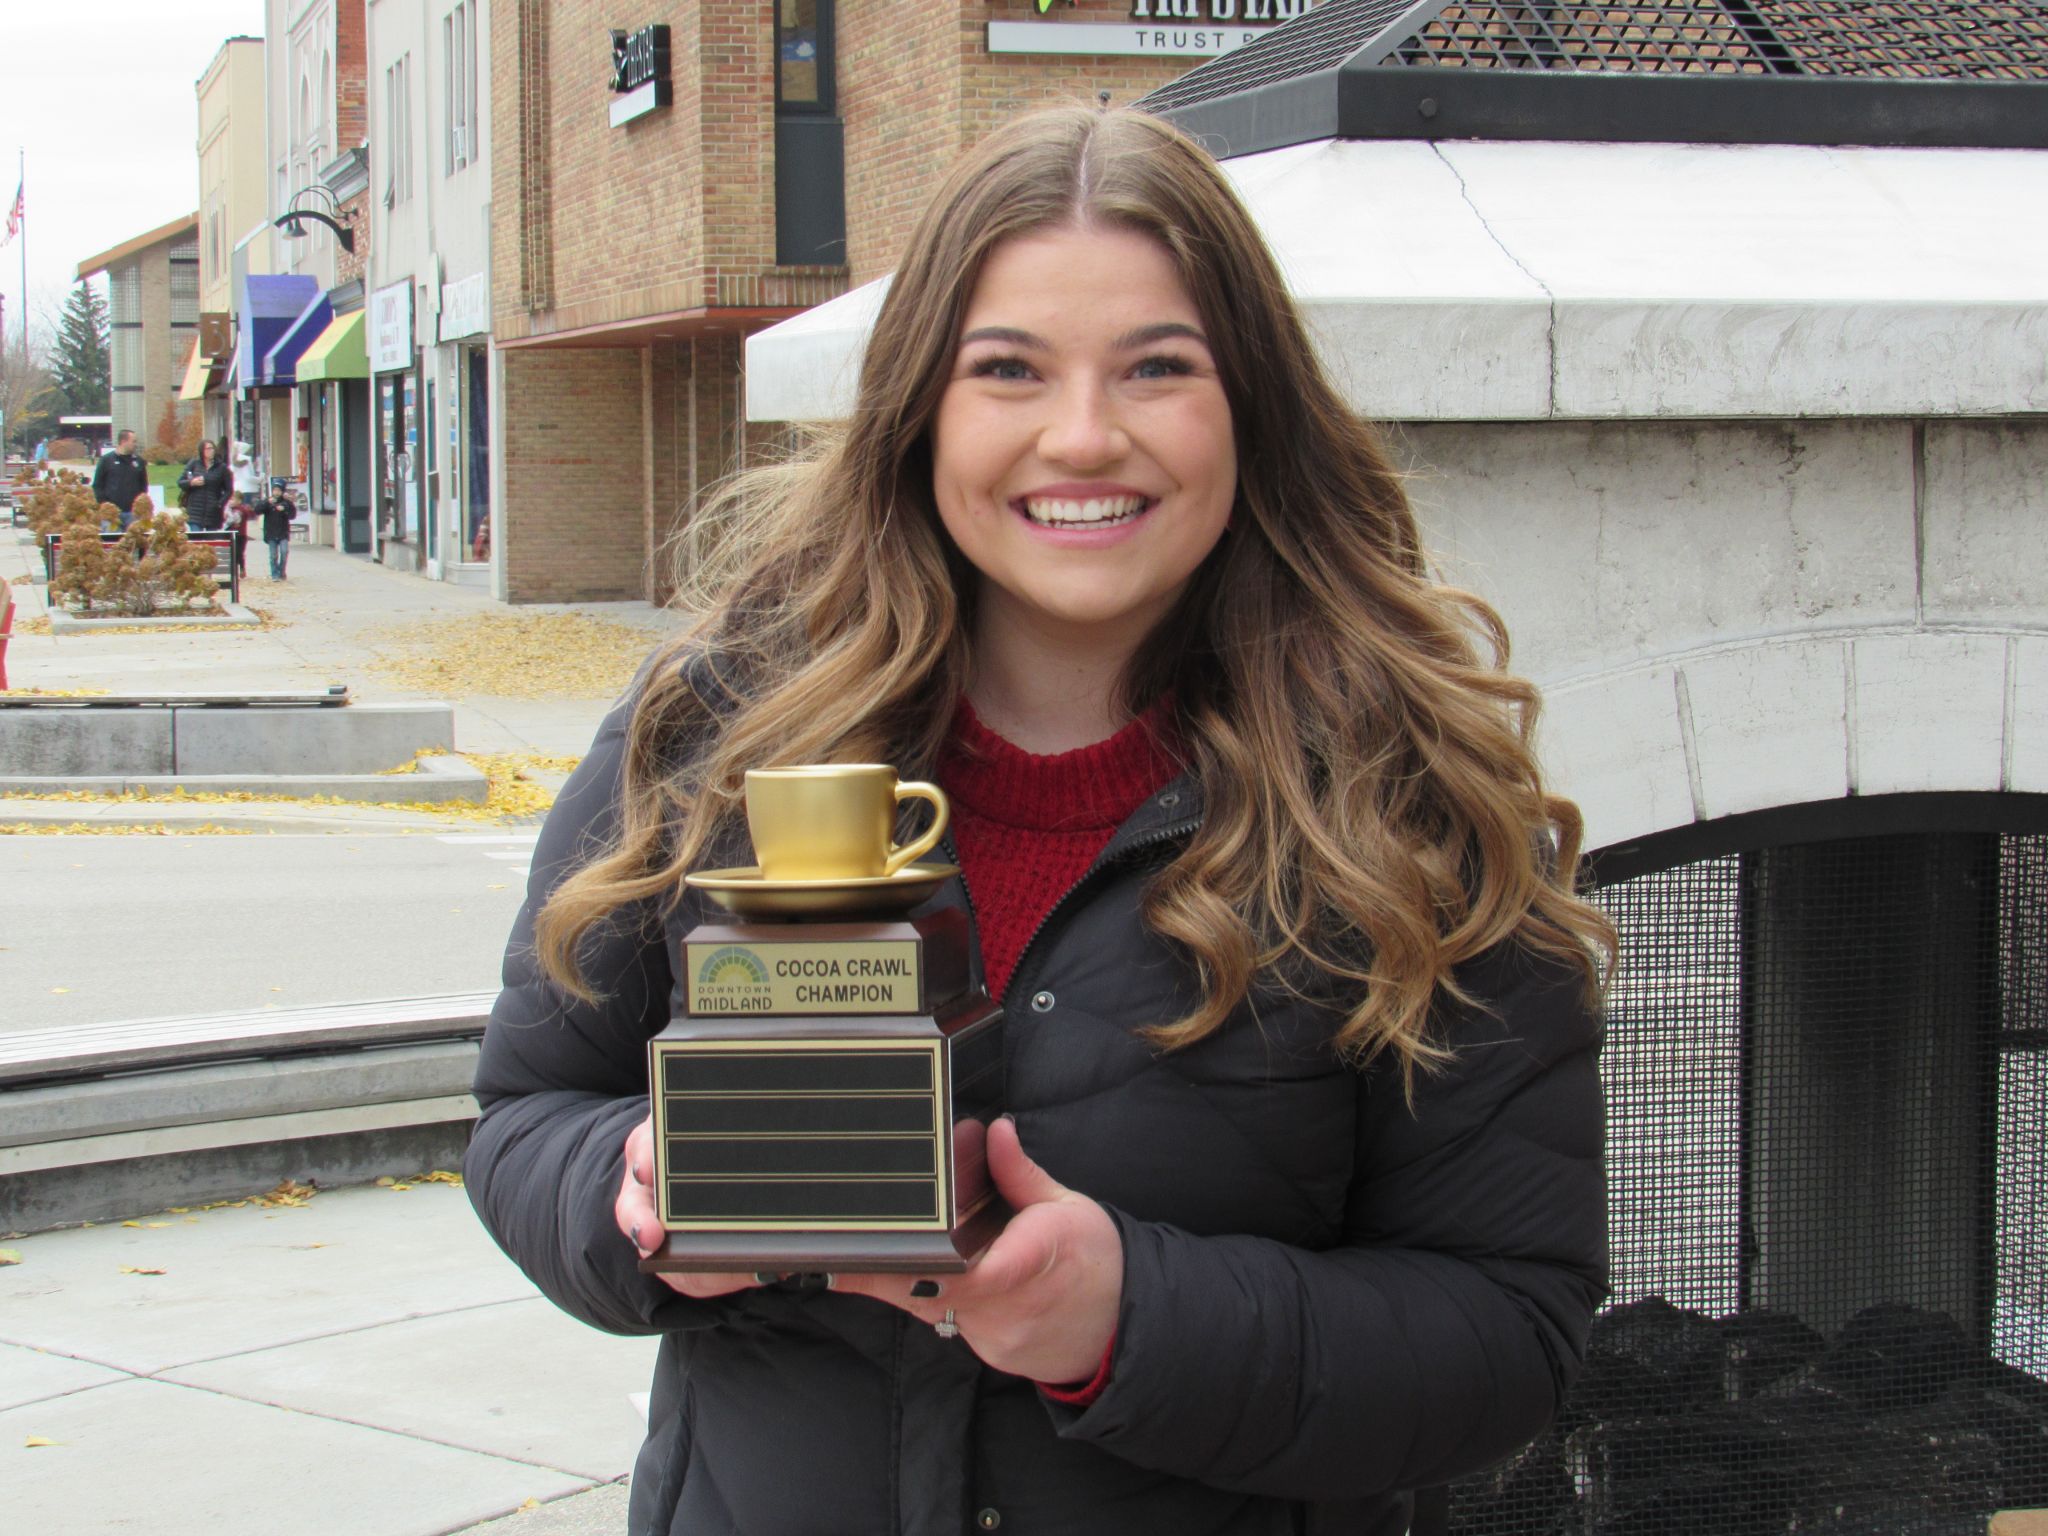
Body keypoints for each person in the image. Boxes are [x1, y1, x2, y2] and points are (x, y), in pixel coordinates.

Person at [466, 103, 1614, 1536]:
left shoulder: (1410, 799)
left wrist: (1127, 1319)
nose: (1083, 436)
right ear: (920, 409)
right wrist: (632, 1205)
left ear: (1250, 405)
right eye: (1008, 369)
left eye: (1157, 369)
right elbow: (525, 1114)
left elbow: (1510, 1326)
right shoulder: (712, 727)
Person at [91, 429, 149, 529]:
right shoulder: (106, 460)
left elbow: (144, 485)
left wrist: (140, 505)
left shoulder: (139, 461)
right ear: (123, 441)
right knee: (112, 541)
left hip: (133, 514)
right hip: (111, 515)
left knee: (135, 541)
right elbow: (97, 485)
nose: (136, 444)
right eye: (133, 441)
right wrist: (105, 505)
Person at [179, 438, 230, 532]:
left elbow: (229, 490)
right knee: (197, 540)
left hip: (213, 512)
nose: (211, 451)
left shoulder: (221, 467)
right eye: (208, 449)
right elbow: (181, 482)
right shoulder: (194, 464)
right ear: (202, 451)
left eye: (212, 448)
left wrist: (219, 503)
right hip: (195, 511)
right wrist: (192, 482)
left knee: (211, 542)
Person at [258, 486, 295, 580]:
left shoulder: (286, 502)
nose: (276, 492)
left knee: (284, 552)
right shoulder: (268, 501)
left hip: (283, 532)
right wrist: (266, 503)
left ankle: (281, 571)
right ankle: (274, 574)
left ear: (282, 491)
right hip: (271, 532)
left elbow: (292, 515)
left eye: (279, 490)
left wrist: (285, 509)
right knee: (273, 555)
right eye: (275, 490)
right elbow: (257, 510)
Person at [222, 493, 250, 579]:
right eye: (230, 499)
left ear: (239, 501)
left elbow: (245, 515)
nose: (231, 501)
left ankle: (241, 568)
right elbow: (225, 520)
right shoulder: (227, 509)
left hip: (240, 534)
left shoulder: (242, 509)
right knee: (232, 553)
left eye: (233, 499)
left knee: (239, 553)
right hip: (230, 533)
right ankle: (234, 572)